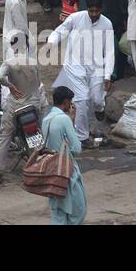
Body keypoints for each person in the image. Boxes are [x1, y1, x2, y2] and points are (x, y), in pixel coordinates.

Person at [48, 0, 115, 143]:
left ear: (101, 10)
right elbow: (60, 31)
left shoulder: (107, 24)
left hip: (97, 66)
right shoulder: (75, 18)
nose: (94, 15)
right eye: (91, 11)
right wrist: (52, 42)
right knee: (82, 100)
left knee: (97, 100)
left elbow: (110, 51)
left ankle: (100, 109)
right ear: (87, 9)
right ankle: (82, 137)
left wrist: (108, 75)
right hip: (74, 65)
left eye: (97, 11)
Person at [0, 31, 47, 184]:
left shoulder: (10, 62)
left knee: (4, 137)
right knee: (37, 135)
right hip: (33, 104)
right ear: (26, 46)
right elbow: (38, 85)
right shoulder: (33, 62)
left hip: (15, 105)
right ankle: (39, 168)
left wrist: (10, 86)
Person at [41, 86, 86, 224]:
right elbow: (76, 148)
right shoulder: (63, 119)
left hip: (51, 171)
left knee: (58, 213)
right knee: (78, 211)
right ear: (66, 102)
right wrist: (71, 120)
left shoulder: (46, 119)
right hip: (67, 172)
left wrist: (71, 119)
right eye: (70, 101)